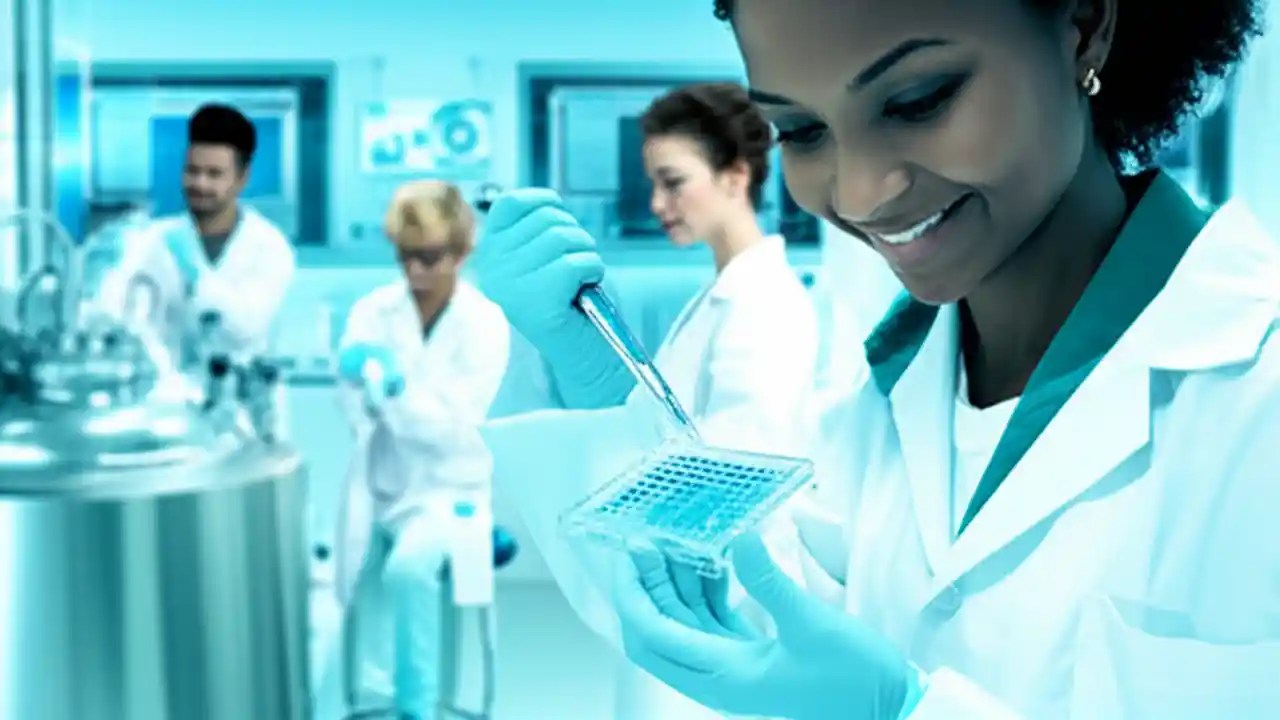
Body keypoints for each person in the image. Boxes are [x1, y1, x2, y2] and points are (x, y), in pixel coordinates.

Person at [476, 0, 1280, 718]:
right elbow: (744, 618)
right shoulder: (879, 408)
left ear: (1083, 28)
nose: (859, 194)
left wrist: (910, 709)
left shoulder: (1256, 394)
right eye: (801, 131)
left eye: (919, 100)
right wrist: (591, 369)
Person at [333, 180, 509, 720]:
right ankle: (366, 697)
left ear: (462, 252)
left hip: (449, 492)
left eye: (431, 258)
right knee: (343, 581)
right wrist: (383, 397)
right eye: (406, 257)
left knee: (409, 570)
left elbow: (456, 430)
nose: (415, 272)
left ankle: (417, 710)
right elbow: (352, 407)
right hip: (379, 480)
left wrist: (393, 389)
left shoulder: (484, 324)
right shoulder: (372, 311)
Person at [94, 103, 295, 368]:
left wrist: (196, 275)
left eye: (214, 174)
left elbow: (246, 326)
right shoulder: (157, 240)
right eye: (192, 171)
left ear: (242, 178)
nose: (200, 184)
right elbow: (117, 307)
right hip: (170, 394)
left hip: (239, 395)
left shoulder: (268, 246)